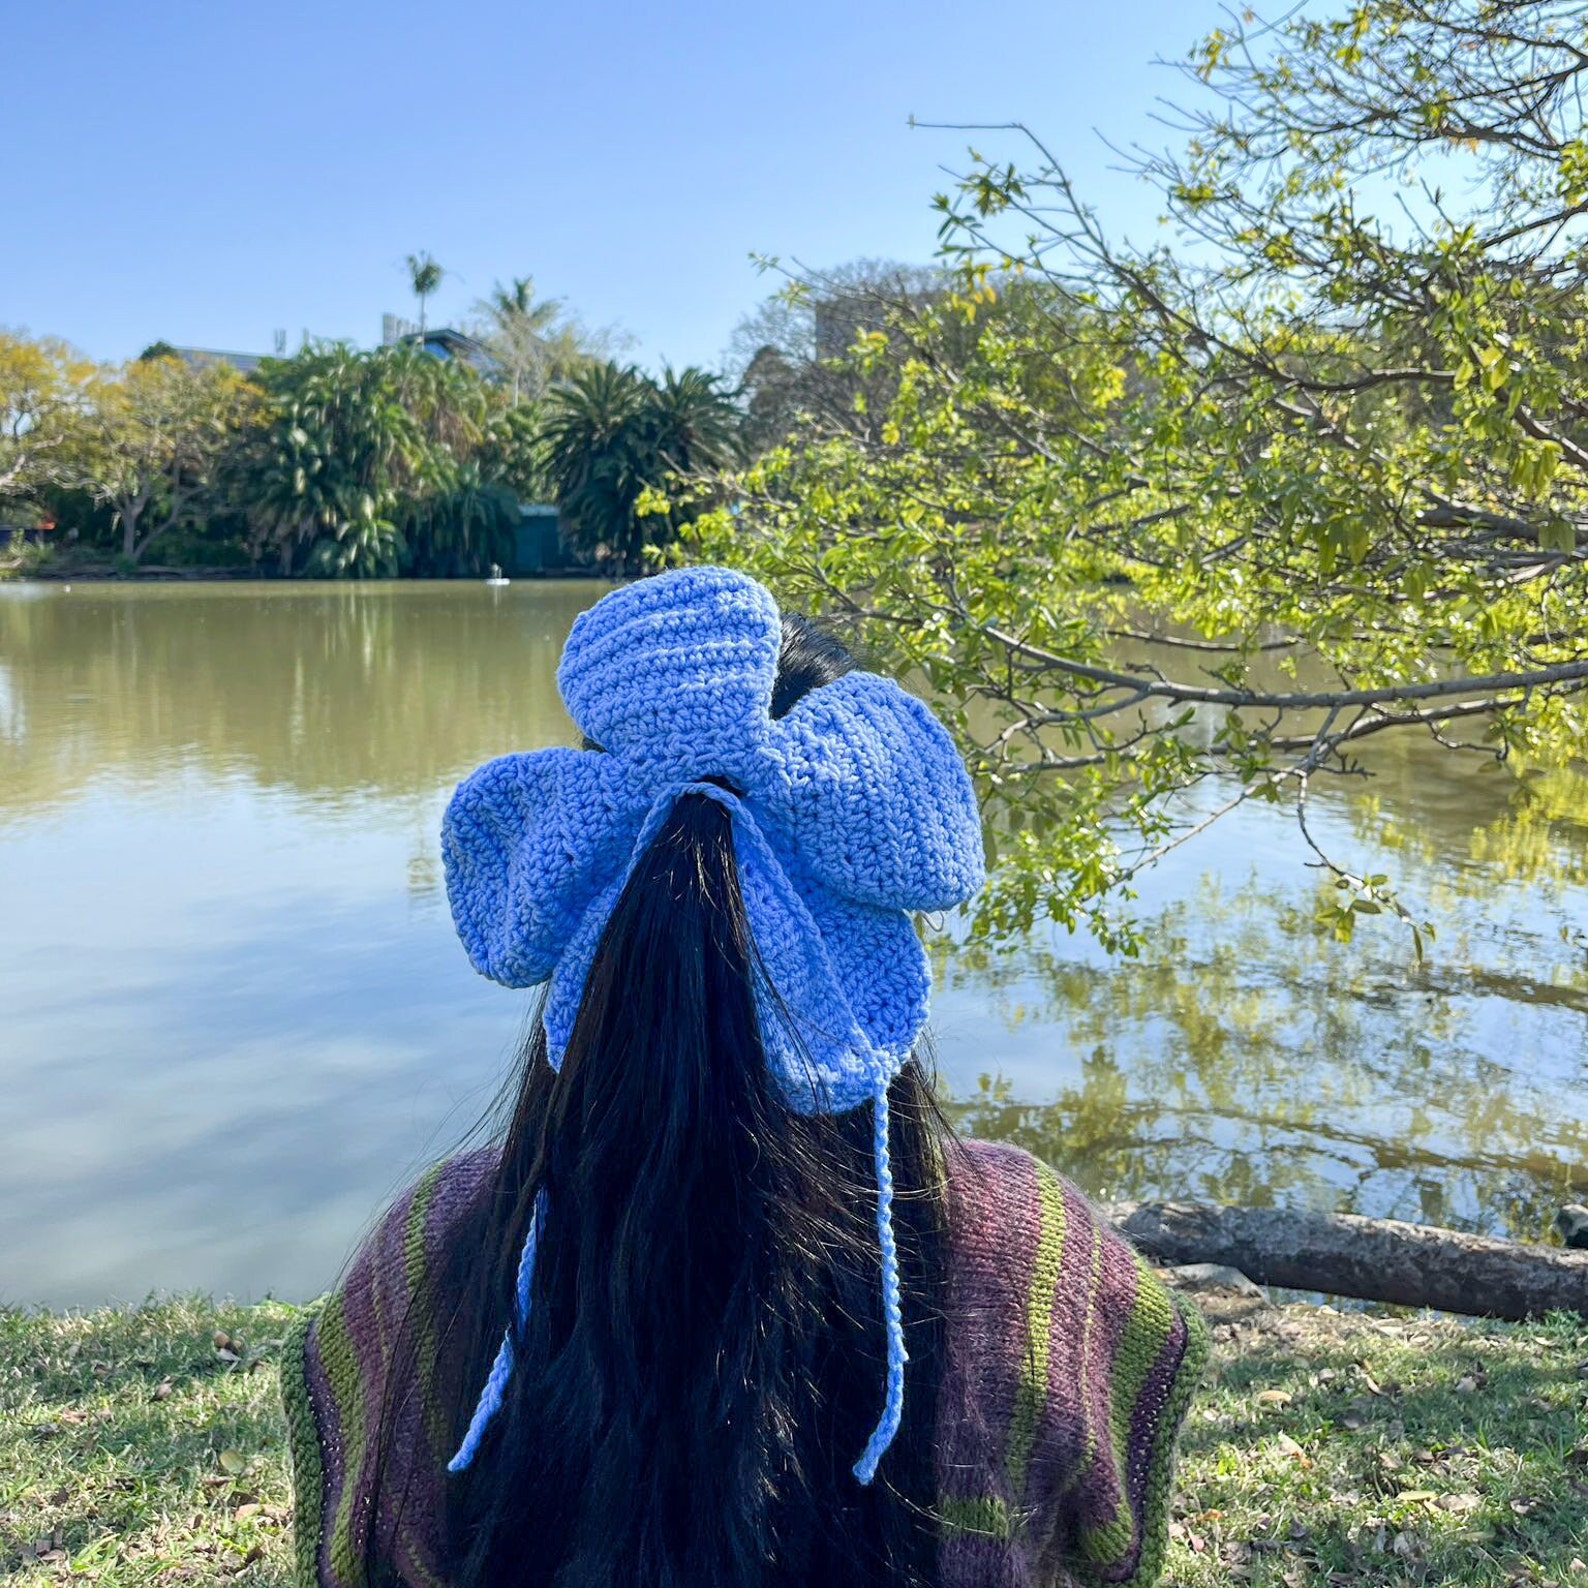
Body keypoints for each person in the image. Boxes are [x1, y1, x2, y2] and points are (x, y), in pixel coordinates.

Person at [281, 566, 1207, 1588]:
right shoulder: (1043, 1265)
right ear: (874, 888)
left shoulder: (423, 1274)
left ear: (595, 896)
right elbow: (1116, 1559)